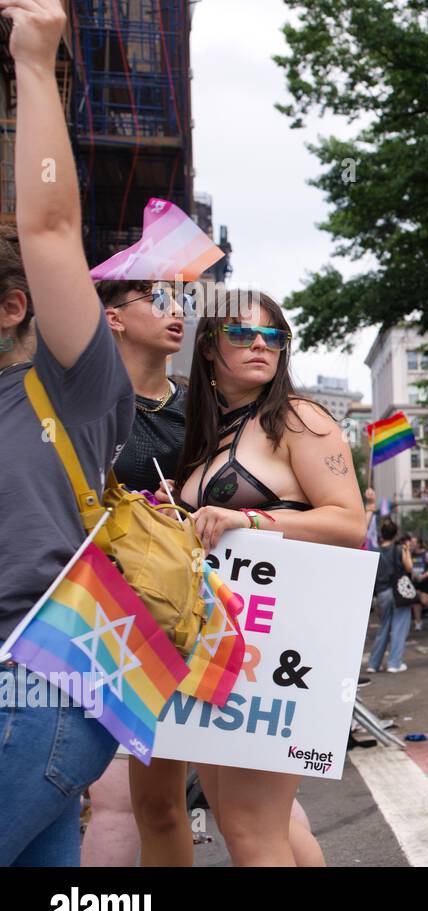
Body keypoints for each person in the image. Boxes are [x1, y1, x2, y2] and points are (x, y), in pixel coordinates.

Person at [0, 0, 135, 866]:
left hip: (33, 684)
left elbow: (48, 228)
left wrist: (34, 63)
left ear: (12, 307)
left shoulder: (63, 387)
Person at [177, 288, 366, 866]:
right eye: (241, 334)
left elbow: (349, 521)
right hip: (214, 643)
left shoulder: (296, 417)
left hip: (277, 645)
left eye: (273, 336)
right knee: (253, 823)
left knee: (250, 826)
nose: (260, 344)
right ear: (209, 347)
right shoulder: (210, 432)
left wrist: (249, 517)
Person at [95, 276, 195, 866]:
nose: (177, 311)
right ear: (114, 318)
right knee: (142, 803)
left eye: (180, 301)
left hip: (192, 615)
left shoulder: (201, 407)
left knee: (260, 805)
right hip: (104, 611)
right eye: (157, 302)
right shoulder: (85, 404)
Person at [367, 518, 414, 673]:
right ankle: (394, 663)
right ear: (396, 534)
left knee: (384, 627)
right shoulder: (400, 549)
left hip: (382, 593)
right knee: (400, 626)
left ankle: (373, 664)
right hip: (398, 591)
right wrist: (406, 551)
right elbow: (409, 567)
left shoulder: (374, 551)